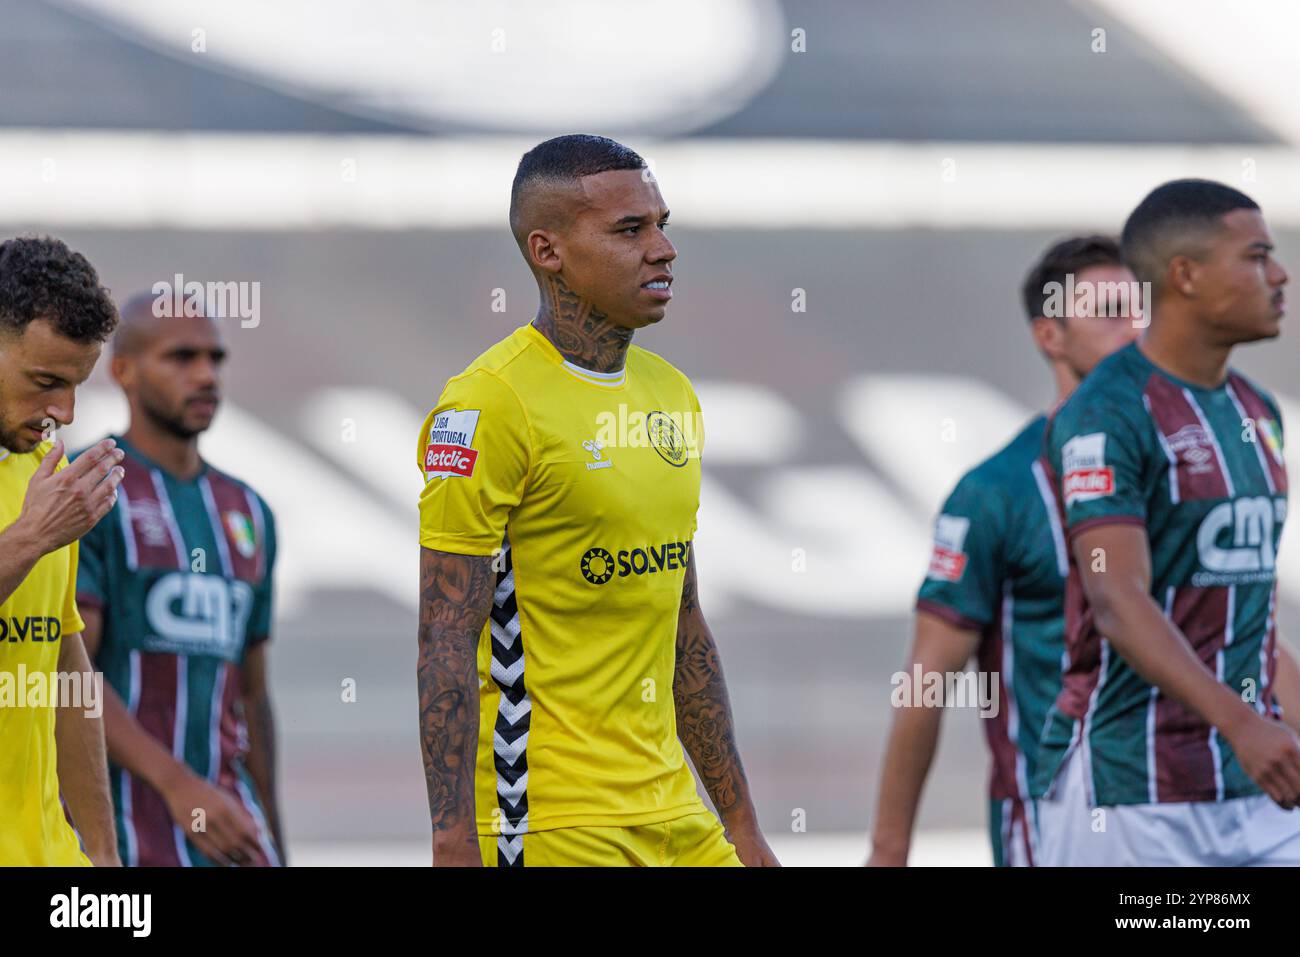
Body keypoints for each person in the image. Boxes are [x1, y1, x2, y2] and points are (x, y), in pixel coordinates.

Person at [416, 134, 777, 866]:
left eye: (662, 224)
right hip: (551, 820)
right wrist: (453, 836)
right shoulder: (490, 403)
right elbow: (445, 634)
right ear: (548, 251)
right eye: (629, 230)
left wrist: (739, 820)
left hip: (675, 810)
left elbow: (684, 623)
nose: (664, 249)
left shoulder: (671, 394)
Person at [1037, 179, 1300, 865]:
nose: (1280, 275)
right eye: (1257, 256)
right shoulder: (1106, 411)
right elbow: (1117, 599)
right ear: (1184, 275)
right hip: (1135, 792)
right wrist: (1243, 722)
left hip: (1252, 785)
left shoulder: (1257, 412)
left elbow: (1251, 619)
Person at [868, 235, 1141, 866]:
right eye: (1109, 311)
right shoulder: (997, 491)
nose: (1135, 329)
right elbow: (926, 681)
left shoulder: (1187, 465)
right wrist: (888, 851)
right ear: (1051, 336)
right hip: (1057, 820)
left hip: (1198, 805)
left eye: (1142, 309)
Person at [75, 294, 283, 866]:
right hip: (118, 833)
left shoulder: (250, 511)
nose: (205, 375)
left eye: (215, 358)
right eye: (181, 357)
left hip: (228, 830)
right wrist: (176, 782)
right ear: (123, 371)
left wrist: (277, 842)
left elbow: (252, 694)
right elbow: (70, 675)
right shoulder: (88, 489)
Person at [0, 235, 123, 865]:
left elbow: (66, 662)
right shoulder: (43, 516)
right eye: (45, 382)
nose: (63, 413)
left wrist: (102, 853)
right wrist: (30, 538)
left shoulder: (43, 469)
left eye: (76, 387)